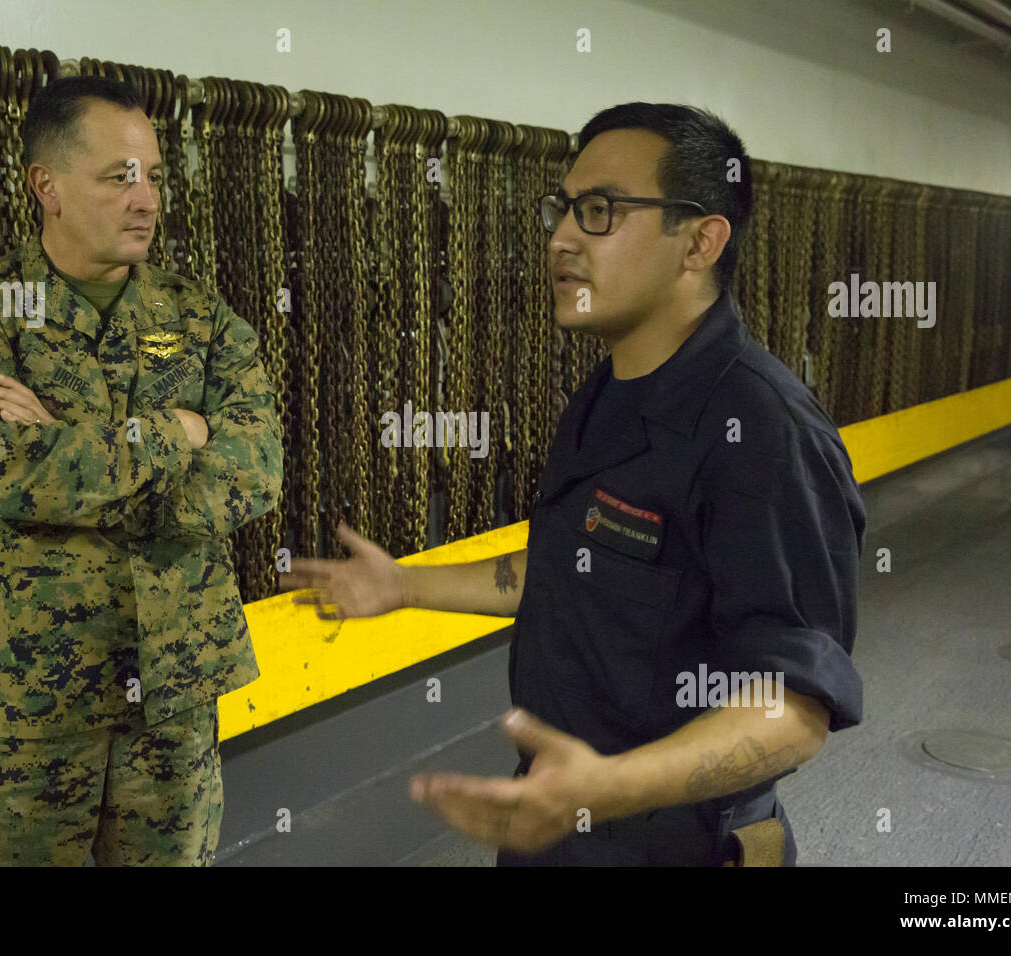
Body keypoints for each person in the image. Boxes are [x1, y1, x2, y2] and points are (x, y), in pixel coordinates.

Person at [281, 103, 865, 866]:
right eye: (563, 209)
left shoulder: (761, 431)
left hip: (676, 840)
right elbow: (572, 568)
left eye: (600, 212)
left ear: (700, 240)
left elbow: (794, 709)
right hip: (563, 815)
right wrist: (404, 585)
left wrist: (606, 788)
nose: (559, 237)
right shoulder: (611, 389)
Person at [0, 76, 283, 866]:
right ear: (45, 185)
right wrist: (175, 433)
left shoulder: (202, 319)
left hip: (172, 705)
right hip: (26, 707)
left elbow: (252, 474)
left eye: (153, 175)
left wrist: (69, 444)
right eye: (120, 177)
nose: (146, 197)